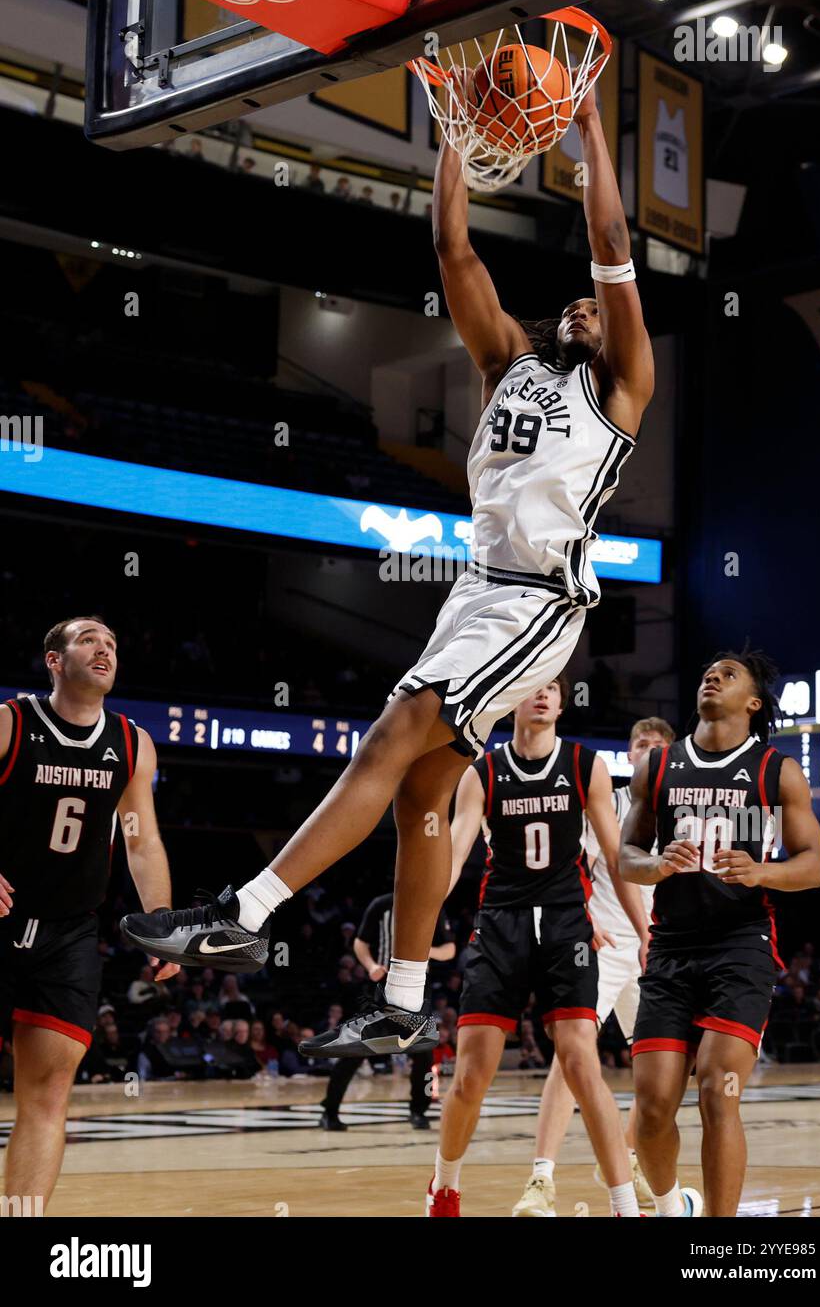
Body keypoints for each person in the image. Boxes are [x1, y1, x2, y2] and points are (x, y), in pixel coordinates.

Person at [121, 77, 655, 1065]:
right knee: (419, 794)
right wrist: (453, 135)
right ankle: (405, 1000)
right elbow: (453, 251)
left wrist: (588, 136)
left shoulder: (622, 388)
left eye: (597, 302)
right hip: (472, 595)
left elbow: (613, 246)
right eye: (574, 301)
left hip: (536, 603)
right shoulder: (506, 365)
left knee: (395, 729)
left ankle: (247, 907)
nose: (586, 303)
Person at [425, 676, 648, 1218]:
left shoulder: (585, 765)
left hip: (569, 925)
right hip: (500, 924)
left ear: (562, 702)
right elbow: (454, 857)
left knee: (580, 1062)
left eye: (553, 687)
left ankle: (623, 1204)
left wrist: (646, 932)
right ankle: (444, 1187)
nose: (543, 695)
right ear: (514, 699)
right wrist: (422, 910)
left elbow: (617, 859)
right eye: (533, 686)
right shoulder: (481, 773)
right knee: (473, 1073)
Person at [620, 650, 820, 1217]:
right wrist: (656, 865)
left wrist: (762, 871)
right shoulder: (657, 766)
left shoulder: (774, 770)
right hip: (671, 948)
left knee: (717, 1088)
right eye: (709, 671)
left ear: (753, 702)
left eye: (729, 674)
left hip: (741, 945)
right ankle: (670, 1207)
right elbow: (626, 856)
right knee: (654, 1104)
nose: (713, 676)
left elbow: (813, 865)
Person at [0, 617, 178, 1208]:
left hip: (70, 933)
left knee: (49, 1094)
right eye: (88, 640)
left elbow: (141, 840)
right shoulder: (10, 723)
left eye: (113, 642)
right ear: (53, 660)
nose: (104, 648)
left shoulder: (131, 743)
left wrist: (161, 924)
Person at [512, 716, 674, 1216]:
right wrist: (581, 916)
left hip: (659, 952)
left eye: (656, 744)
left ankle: (623, 1161)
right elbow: (565, 861)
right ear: (628, 755)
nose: (646, 749)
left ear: (671, 754)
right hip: (603, 942)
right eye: (639, 742)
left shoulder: (685, 811)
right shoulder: (612, 801)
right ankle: (541, 1179)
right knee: (572, 1053)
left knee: (666, 1072)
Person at [318, 892, 455, 1131]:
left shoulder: (431, 904)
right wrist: (371, 966)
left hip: (417, 989)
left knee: (422, 1052)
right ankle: (330, 1110)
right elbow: (360, 942)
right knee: (354, 1048)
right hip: (379, 987)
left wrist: (423, 950)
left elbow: (450, 949)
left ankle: (418, 1111)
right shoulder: (381, 905)